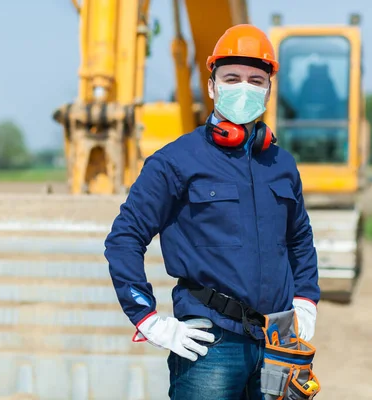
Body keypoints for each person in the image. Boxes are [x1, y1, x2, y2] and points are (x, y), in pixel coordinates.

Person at [104, 24, 320, 399]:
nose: (244, 88)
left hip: (279, 340)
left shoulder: (281, 164)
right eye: (232, 78)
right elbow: (124, 238)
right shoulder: (175, 161)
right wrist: (148, 318)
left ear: (269, 90)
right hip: (210, 342)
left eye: (256, 80)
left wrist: (306, 299)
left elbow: (300, 240)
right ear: (212, 86)